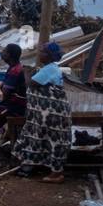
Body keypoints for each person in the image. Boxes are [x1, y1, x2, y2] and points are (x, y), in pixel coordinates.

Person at [13, 43, 71, 182]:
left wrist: (26, 72)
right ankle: (46, 169)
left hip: (52, 114)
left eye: (43, 52)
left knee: (55, 141)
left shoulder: (49, 70)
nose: (40, 54)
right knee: (47, 140)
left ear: (50, 56)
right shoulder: (50, 68)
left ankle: (56, 174)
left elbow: (31, 84)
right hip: (48, 114)